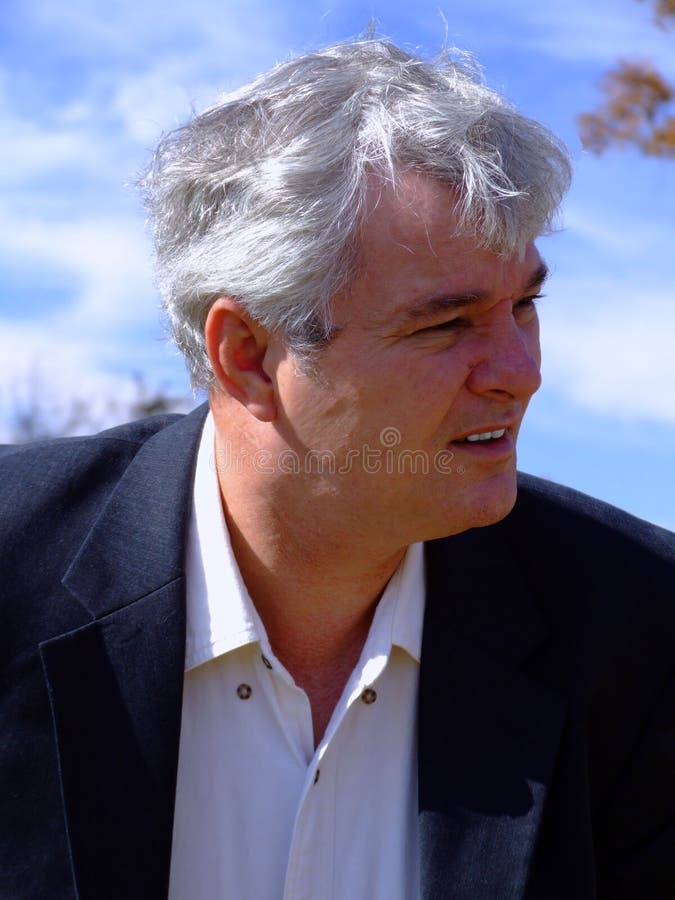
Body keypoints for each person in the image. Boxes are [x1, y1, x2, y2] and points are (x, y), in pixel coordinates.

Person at [1, 37, 674, 900]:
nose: (519, 370)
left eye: (524, 307)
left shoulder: (637, 632)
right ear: (246, 354)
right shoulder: (15, 565)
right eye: (446, 325)